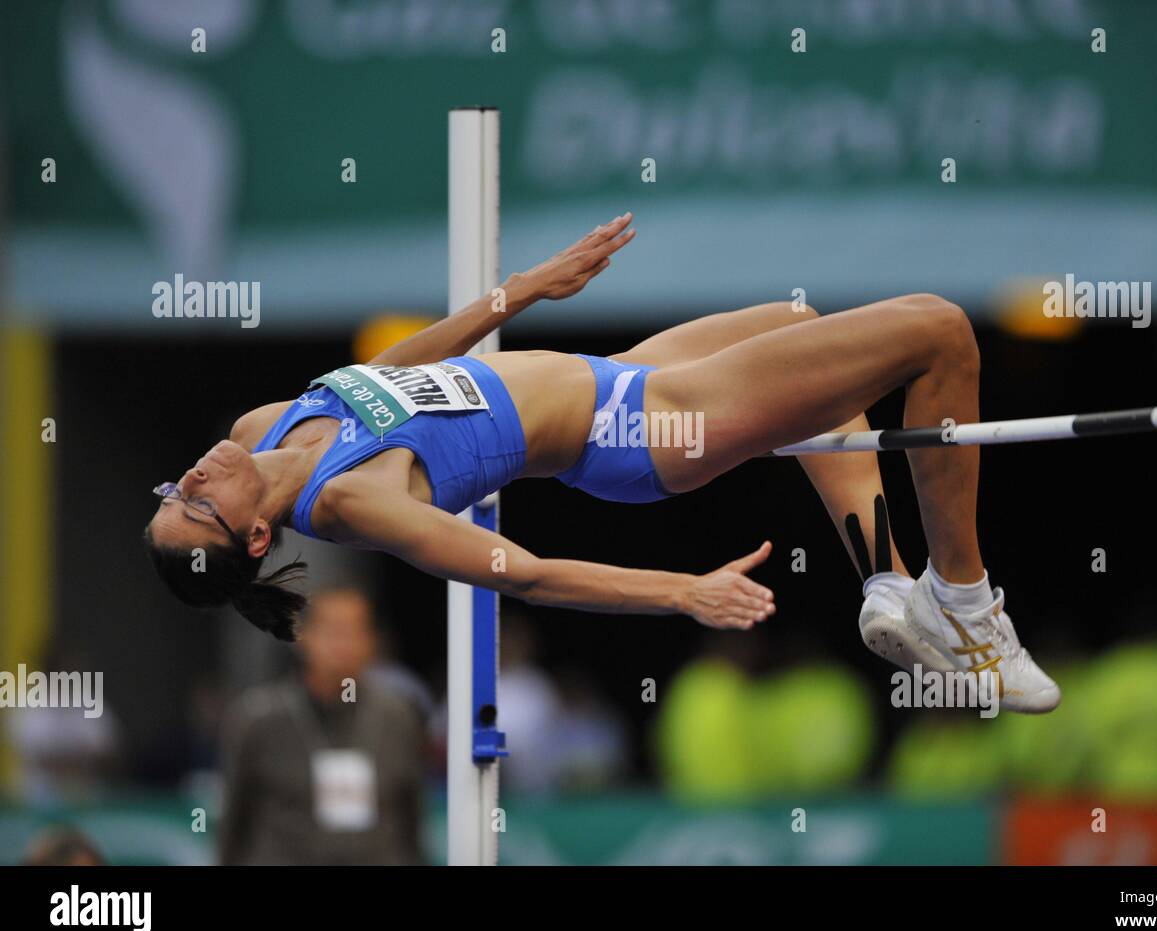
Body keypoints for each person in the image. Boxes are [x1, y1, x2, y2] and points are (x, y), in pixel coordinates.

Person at [144, 213, 1058, 712]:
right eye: (197, 505)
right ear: (257, 533)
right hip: (644, 429)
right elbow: (525, 575)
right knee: (938, 330)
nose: (191, 477)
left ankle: (891, 590)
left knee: (799, 330)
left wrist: (523, 290)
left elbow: (389, 371)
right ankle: (969, 609)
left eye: (173, 489)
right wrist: (681, 592)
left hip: (619, 377)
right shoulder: (350, 501)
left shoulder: (264, 424)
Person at [219, 587, 425, 865]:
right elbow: (235, 823)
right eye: (332, 631)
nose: (343, 644)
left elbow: (411, 818)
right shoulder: (261, 720)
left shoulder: (398, 717)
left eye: (354, 631)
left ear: (372, 642)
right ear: (304, 637)